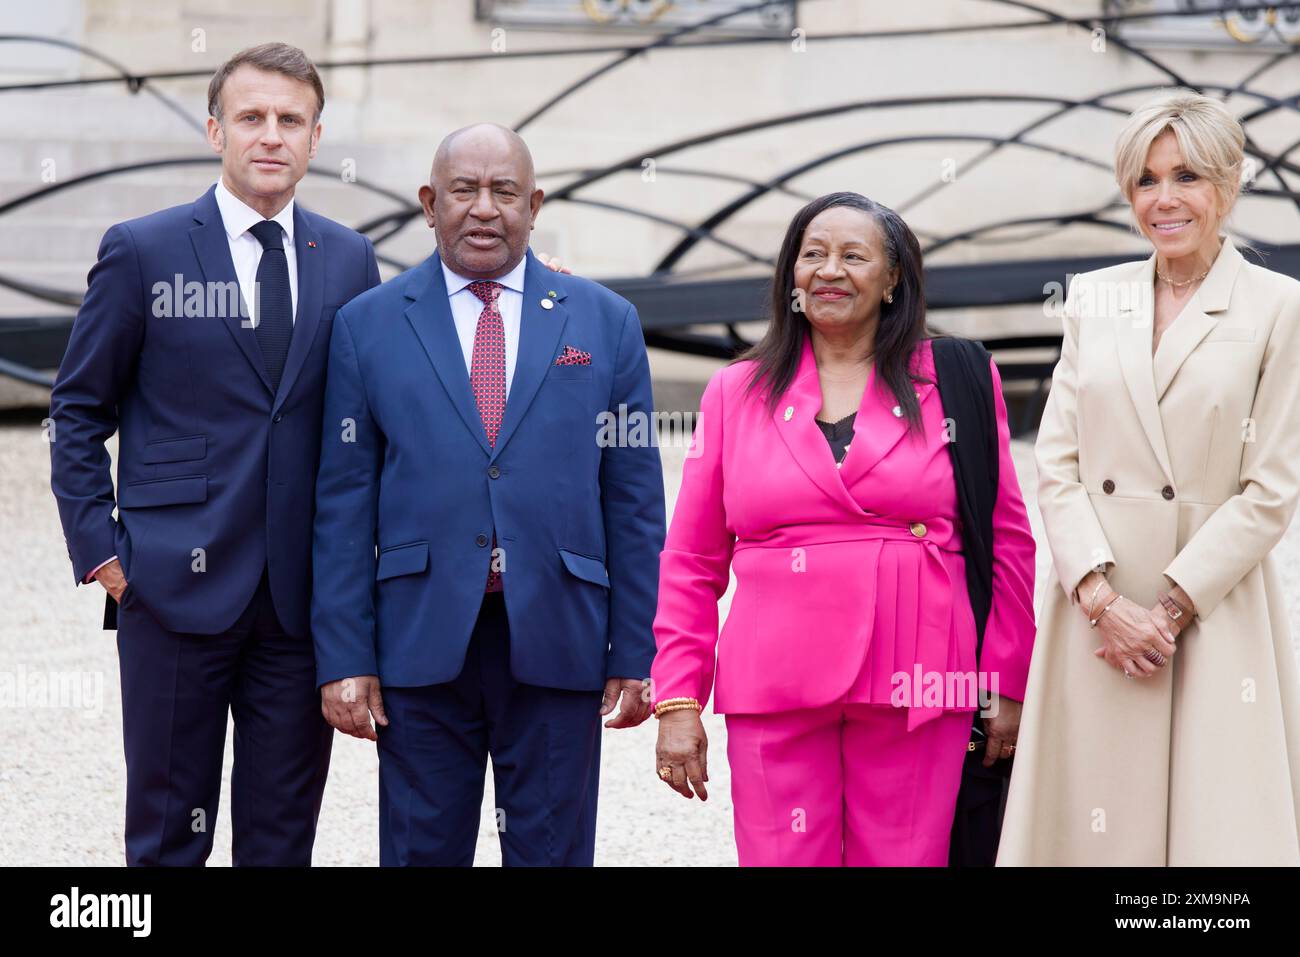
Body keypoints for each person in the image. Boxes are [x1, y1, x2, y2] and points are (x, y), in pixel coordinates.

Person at [48, 43, 380, 865]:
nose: (271, 135)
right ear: (215, 129)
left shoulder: (348, 258)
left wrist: (522, 280)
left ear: (314, 137)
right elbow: (77, 409)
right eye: (251, 117)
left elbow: (387, 399)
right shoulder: (143, 251)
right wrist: (103, 555)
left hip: (300, 607)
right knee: (165, 836)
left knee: (280, 841)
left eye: (290, 120)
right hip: (169, 592)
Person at [310, 123, 666, 866]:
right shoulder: (366, 326)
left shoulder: (606, 321)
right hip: (419, 641)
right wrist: (345, 652)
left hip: (559, 637)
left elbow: (632, 502)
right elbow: (342, 504)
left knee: (550, 853)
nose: (483, 207)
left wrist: (635, 648)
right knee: (420, 852)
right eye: (463, 190)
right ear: (428, 203)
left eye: (504, 190)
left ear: (533, 205)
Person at [650, 191, 1037, 866]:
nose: (830, 270)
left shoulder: (955, 380)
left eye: (854, 256)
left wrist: (1005, 676)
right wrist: (679, 696)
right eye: (813, 254)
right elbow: (691, 559)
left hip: (920, 678)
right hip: (774, 681)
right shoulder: (735, 391)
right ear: (791, 274)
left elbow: (1006, 538)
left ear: (893, 280)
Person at [998, 91, 1300, 865]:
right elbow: (1056, 464)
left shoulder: (1280, 307)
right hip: (1097, 614)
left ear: (1227, 187)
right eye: (1145, 179)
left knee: (1215, 837)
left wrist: (1163, 612)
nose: (1163, 199)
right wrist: (1102, 600)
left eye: (1187, 176)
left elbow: (1271, 488)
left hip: (1210, 608)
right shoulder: (1094, 297)